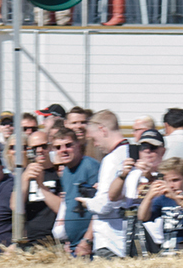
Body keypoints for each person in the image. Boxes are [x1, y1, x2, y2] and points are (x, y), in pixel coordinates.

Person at [81, 111, 131, 258]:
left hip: (110, 242)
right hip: (128, 238)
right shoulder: (133, 153)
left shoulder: (111, 159)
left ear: (103, 130)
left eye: (94, 139)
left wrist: (87, 202)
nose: (95, 144)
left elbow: (104, 204)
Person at [137, 157, 183, 256]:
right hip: (167, 250)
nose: (171, 185)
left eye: (175, 180)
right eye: (167, 181)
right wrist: (149, 196)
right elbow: (142, 217)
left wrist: (176, 198)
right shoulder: (163, 199)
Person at [52, 128, 99, 256]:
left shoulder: (90, 167)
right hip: (74, 247)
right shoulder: (66, 172)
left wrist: (87, 240)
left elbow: (99, 210)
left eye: (68, 145)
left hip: (89, 247)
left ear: (78, 145)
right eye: (58, 147)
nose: (63, 150)